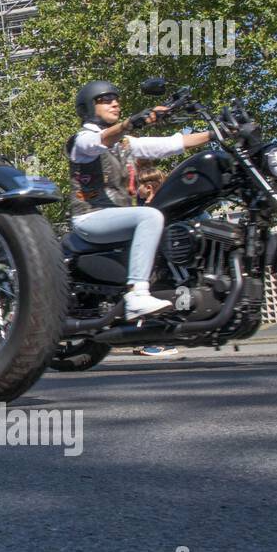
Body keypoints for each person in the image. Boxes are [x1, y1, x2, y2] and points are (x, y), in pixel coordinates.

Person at [67, 80, 212, 321]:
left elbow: (171, 144)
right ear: (89, 108)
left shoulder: (125, 144)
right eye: (104, 100)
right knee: (150, 215)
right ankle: (137, 295)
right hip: (90, 217)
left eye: (115, 99)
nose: (114, 103)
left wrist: (217, 133)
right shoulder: (80, 141)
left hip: (117, 219)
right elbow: (98, 142)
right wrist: (130, 123)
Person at [131, 163, 180, 357]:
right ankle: (155, 340)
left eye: (139, 186)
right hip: (161, 261)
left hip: (158, 263)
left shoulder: (153, 208)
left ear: (149, 187)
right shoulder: (165, 203)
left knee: (157, 296)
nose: (136, 190)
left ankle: (163, 343)